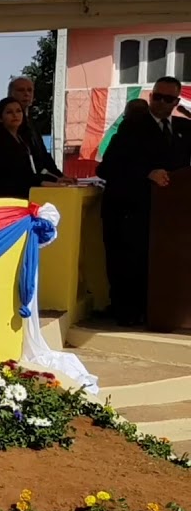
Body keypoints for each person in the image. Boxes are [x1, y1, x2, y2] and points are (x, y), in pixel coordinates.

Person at [96, 76, 191, 326]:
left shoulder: (184, 129)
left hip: (167, 215)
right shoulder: (132, 126)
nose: (161, 103)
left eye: (168, 99)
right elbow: (108, 168)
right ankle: (127, 313)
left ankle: (158, 311)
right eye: (157, 97)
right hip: (130, 211)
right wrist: (147, 173)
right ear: (151, 96)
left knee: (161, 268)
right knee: (129, 265)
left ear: (176, 102)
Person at [0, 97, 56, 199]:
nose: (15, 115)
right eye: (9, 112)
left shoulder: (24, 139)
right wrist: (40, 182)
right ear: (0, 118)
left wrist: (53, 179)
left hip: (23, 191)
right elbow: (10, 172)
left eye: (18, 111)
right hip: (3, 193)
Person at [8, 76, 69, 184]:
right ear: (11, 93)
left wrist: (59, 177)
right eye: (21, 90)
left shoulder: (32, 124)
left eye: (30, 90)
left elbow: (43, 156)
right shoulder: (7, 125)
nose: (26, 94)